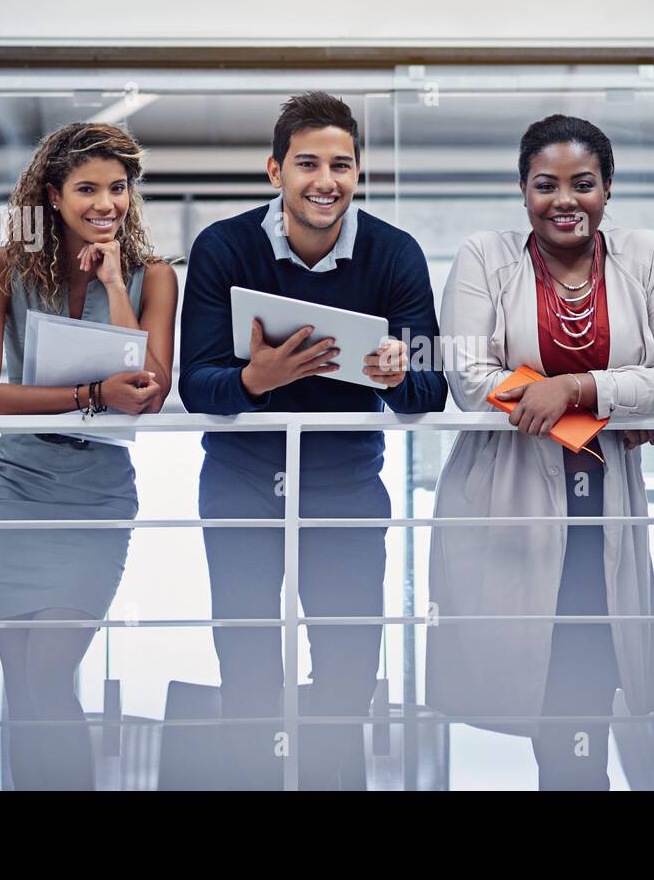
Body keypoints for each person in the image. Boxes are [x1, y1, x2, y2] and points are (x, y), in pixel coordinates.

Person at [179, 91, 447, 790]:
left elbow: (429, 390)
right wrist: (256, 379)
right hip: (241, 479)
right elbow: (197, 385)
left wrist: (394, 373)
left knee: (348, 670)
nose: (326, 180)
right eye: (307, 164)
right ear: (275, 171)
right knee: (247, 664)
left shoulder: (394, 254)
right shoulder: (223, 246)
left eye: (342, 165)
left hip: (346, 484)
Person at [427, 114, 654, 790]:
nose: (564, 200)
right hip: (504, 504)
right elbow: (468, 378)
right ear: (523, 190)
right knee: (532, 681)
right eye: (546, 184)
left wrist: (576, 386)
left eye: (583, 183)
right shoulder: (485, 257)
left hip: (601, 512)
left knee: (590, 686)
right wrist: (602, 418)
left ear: (608, 188)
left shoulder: (650, 256)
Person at [0, 122, 176, 790]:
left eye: (117, 188)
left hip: (96, 493)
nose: (105, 203)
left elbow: (149, 390)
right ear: (52, 196)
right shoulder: (2, 268)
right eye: (87, 188)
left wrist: (117, 287)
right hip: (14, 489)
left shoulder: (155, 277)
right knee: (23, 693)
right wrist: (89, 393)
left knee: (50, 675)